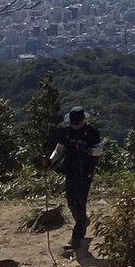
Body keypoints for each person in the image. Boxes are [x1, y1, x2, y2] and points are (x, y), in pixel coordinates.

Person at [48, 106, 103, 252]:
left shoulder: (92, 132)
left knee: (80, 200)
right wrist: (51, 160)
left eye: (77, 123)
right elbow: (59, 149)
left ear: (83, 120)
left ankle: (76, 237)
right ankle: (82, 221)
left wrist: (89, 151)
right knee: (71, 200)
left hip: (85, 171)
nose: (75, 125)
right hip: (71, 169)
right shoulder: (66, 132)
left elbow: (99, 150)